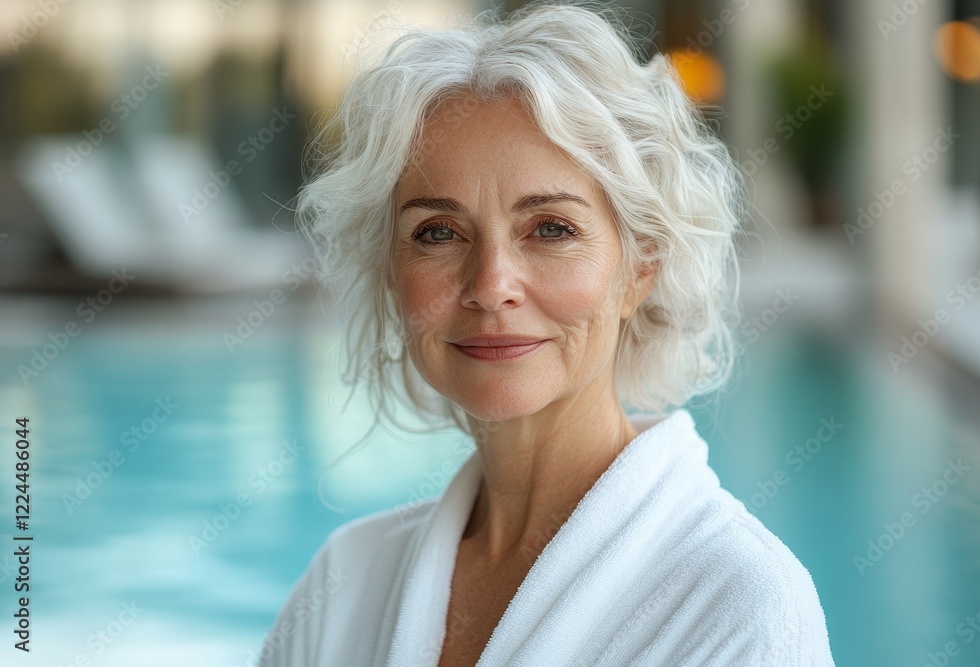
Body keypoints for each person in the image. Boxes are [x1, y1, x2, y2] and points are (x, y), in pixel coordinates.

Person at [259, 2, 834, 665]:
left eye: (550, 228)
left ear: (642, 263)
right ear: (391, 270)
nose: (491, 283)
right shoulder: (345, 582)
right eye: (438, 232)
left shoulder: (738, 604)